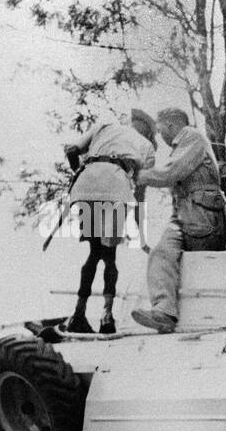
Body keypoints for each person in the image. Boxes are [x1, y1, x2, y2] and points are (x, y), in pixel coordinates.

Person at [132, 109, 226, 333]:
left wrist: (136, 176)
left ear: (170, 126)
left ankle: (208, 318)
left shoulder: (191, 136)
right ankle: (164, 311)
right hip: (184, 212)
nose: (159, 136)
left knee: (200, 267)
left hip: (202, 214)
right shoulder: (183, 144)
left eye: (159, 130)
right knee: (161, 254)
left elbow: (170, 173)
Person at [60, 109, 157, 334]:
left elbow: (72, 150)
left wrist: (81, 172)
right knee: (109, 256)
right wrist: (140, 235)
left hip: (86, 184)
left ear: (131, 123)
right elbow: (140, 194)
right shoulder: (147, 147)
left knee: (94, 253)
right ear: (148, 133)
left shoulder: (105, 126)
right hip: (115, 187)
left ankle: (78, 313)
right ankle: (106, 315)